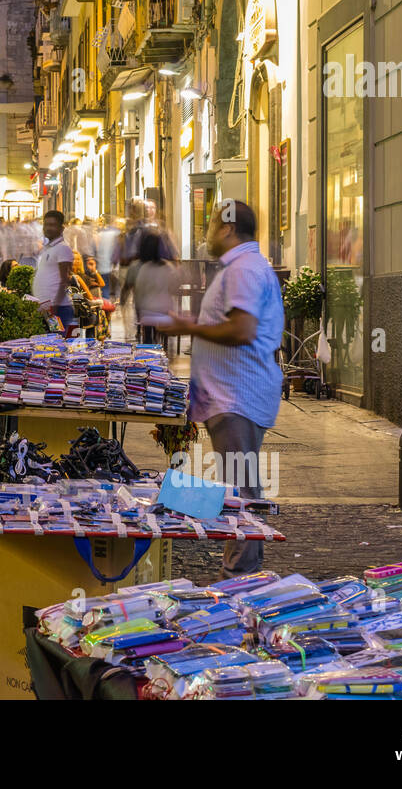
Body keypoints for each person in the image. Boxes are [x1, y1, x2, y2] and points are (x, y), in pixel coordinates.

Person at [159, 201, 284, 578]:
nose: (207, 234)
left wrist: (189, 328)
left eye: (212, 224)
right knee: (237, 484)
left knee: (242, 488)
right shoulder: (243, 267)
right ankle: (240, 572)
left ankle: (241, 579)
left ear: (228, 228)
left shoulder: (244, 270)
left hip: (237, 397)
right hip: (230, 396)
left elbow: (241, 329)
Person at [134, 231, 183, 346]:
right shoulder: (168, 267)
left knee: (148, 338)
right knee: (164, 337)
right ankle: (164, 351)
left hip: (147, 311)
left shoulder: (145, 268)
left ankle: (148, 353)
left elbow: (139, 292)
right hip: (165, 310)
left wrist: (138, 311)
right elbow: (175, 287)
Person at [34, 209, 76, 332]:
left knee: (61, 346)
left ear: (61, 228)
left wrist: (55, 306)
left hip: (60, 310)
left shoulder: (63, 248)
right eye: (46, 225)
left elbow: (65, 280)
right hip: (49, 309)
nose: (48, 228)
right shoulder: (48, 248)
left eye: (52, 225)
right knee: (51, 347)